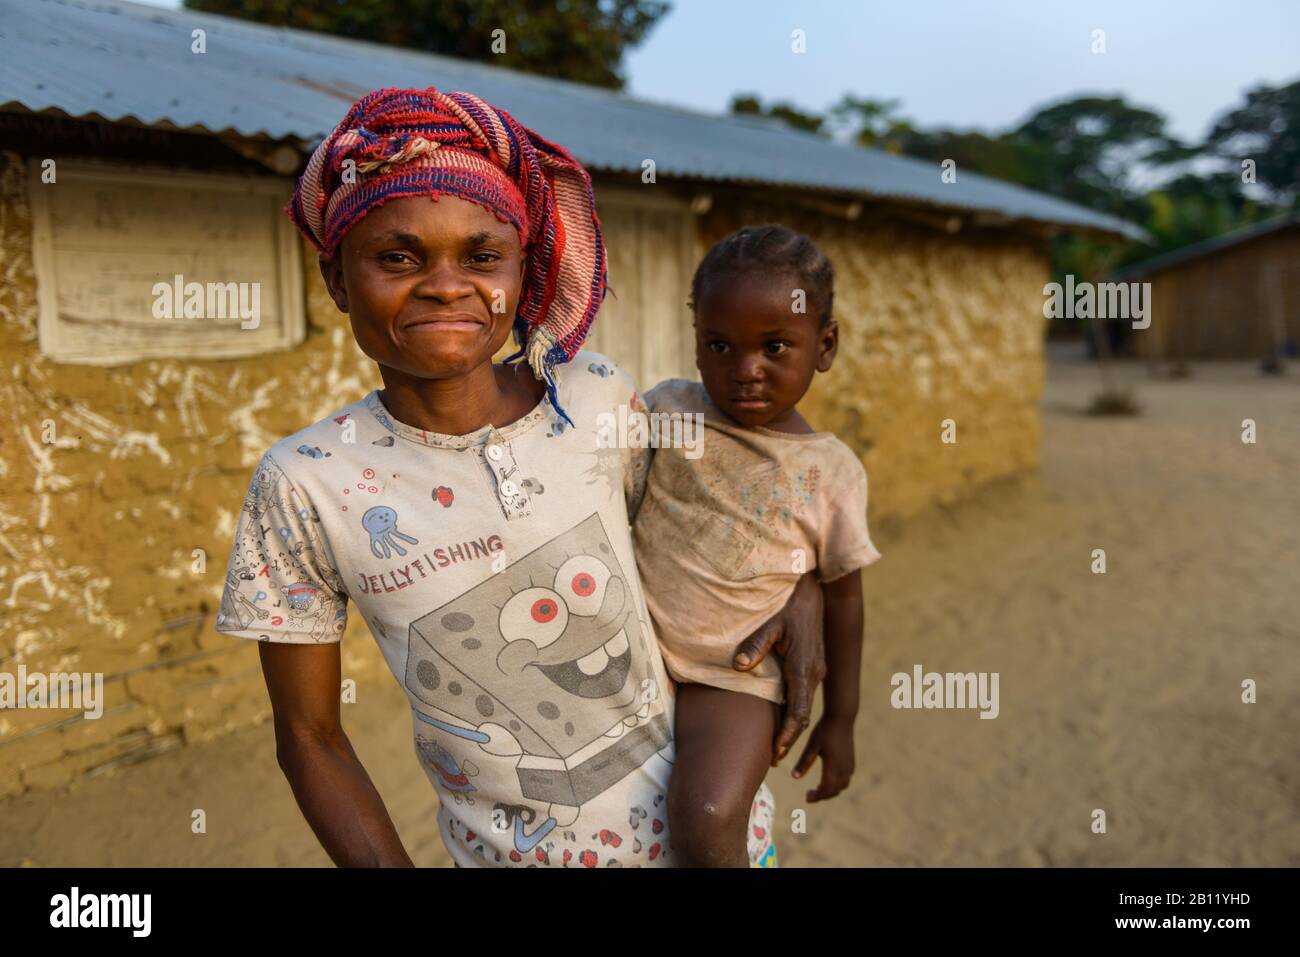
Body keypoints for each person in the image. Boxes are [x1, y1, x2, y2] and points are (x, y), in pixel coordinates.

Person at [214, 87, 824, 867]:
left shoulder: (595, 394)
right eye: (398, 256)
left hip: (724, 845)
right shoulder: (304, 483)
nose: (444, 285)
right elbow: (310, 738)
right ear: (338, 280)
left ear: (520, 268)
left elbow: (709, 536)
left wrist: (803, 581)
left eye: (481, 256)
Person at [631, 224, 881, 867]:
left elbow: (844, 603)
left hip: (732, 680)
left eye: (775, 346)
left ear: (824, 346)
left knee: (709, 818)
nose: (746, 370)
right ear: (695, 345)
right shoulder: (667, 412)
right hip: (628, 656)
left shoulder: (830, 471)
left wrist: (841, 719)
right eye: (720, 345)